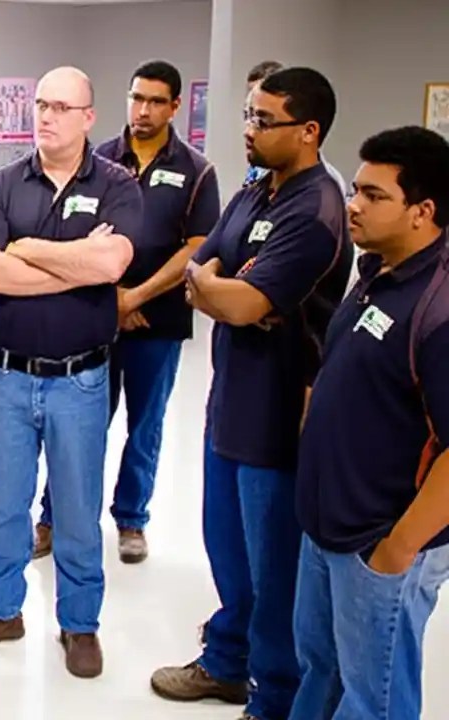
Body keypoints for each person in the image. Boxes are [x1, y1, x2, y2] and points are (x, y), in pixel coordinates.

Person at [151, 67, 353, 720]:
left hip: (278, 418)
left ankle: (274, 699)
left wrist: (228, 292)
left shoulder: (317, 209)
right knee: (228, 553)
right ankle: (228, 661)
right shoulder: (254, 191)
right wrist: (224, 287)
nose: (249, 129)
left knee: (275, 574)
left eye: (264, 120)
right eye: (247, 114)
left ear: (309, 131)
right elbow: (203, 264)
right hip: (229, 404)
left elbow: (240, 302)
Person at [0, 66, 141, 680]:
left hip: (80, 380)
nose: (46, 116)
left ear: (89, 117)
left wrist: (26, 248)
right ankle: (0, 611)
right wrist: (72, 263)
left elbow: (111, 264)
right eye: (39, 105)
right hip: (5, 375)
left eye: (61, 107)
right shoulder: (3, 184)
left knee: (78, 510)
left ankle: (79, 624)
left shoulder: (117, 186)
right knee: (2, 503)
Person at [34, 60, 221, 564]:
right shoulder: (98, 159)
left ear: (175, 107)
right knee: (79, 421)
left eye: (156, 101)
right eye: (136, 98)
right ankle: (55, 515)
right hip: (95, 313)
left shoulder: (196, 171)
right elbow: (77, 239)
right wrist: (113, 296)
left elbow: (198, 247)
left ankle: (132, 519)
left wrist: (135, 298)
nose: (143, 109)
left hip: (157, 321)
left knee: (146, 423)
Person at [291, 126, 449, 720]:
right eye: (355, 189)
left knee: (373, 700)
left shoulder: (439, 308)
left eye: (374, 195)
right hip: (327, 523)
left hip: (378, 542)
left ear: (422, 211)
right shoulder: (376, 273)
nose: (353, 204)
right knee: (322, 672)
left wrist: (397, 551)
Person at [244, 61, 347, 196]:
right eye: (249, 117)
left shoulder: (320, 198)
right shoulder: (258, 187)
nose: (248, 132)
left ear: (309, 131)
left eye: (263, 122)